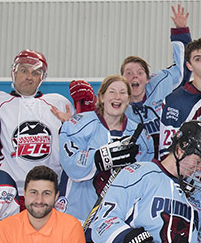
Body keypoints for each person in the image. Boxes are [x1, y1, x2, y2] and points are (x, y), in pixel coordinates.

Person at [58, 75, 147, 224]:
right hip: (77, 216)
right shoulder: (77, 124)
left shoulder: (140, 135)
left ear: (129, 99)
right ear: (101, 97)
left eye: (123, 92)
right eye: (112, 92)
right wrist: (102, 157)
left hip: (115, 220)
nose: (117, 97)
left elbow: (143, 179)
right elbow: (70, 164)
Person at [0, 49, 73, 192]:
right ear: (14, 72)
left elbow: (79, 144)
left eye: (36, 73)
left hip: (48, 190)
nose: (29, 77)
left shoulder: (59, 104)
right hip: (7, 191)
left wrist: (75, 122)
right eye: (24, 71)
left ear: (42, 78)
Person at [121, 4, 190, 157]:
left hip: (169, 153)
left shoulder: (160, 82)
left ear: (147, 78)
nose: (134, 76)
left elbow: (183, 69)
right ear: (122, 80)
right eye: (129, 73)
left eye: (139, 73)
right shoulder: (118, 102)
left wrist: (181, 32)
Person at [159, 37, 201, 153]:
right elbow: (166, 151)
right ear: (189, 66)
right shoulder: (174, 101)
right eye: (198, 59)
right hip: (190, 168)